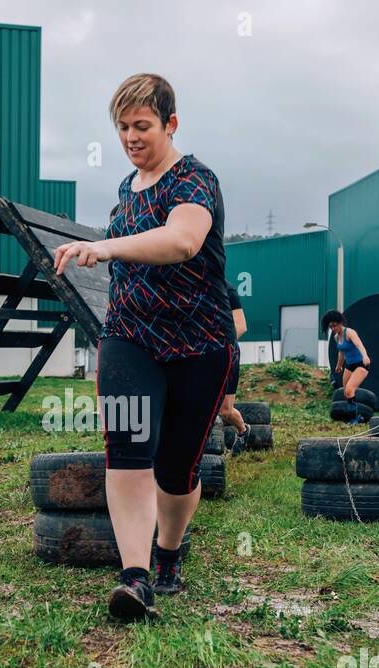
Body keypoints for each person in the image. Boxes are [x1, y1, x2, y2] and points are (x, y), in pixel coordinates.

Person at [53, 73, 232, 622]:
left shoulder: (194, 181)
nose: (131, 137)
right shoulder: (124, 192)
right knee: (128, 449)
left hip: (201, 344)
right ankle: (134, 578)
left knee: (177, 469)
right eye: (123, 127)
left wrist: (104, 247)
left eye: (143, 126)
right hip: (129, 338)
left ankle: (168, 554)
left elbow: (182, 240)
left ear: (171, 123)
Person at [322, 310, 371, 424]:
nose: (333, 328)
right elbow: (341, 352)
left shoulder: (349, 332)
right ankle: (357, 415)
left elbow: (359, 344)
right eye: (331, 327)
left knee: (350, 389)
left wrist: (365, 356)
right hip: (349, 365)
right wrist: (339, 365)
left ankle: (354, 418)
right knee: (346, 392)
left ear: (340, 323)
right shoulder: (336, 337)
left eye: (334, 325)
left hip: (361, 364)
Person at [217, 285, 250, 455]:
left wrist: (216, 345)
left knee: (225, 411)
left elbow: (241, 326)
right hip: (199, 353)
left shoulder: (227, 289)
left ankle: (243, 432)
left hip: (227, 352)